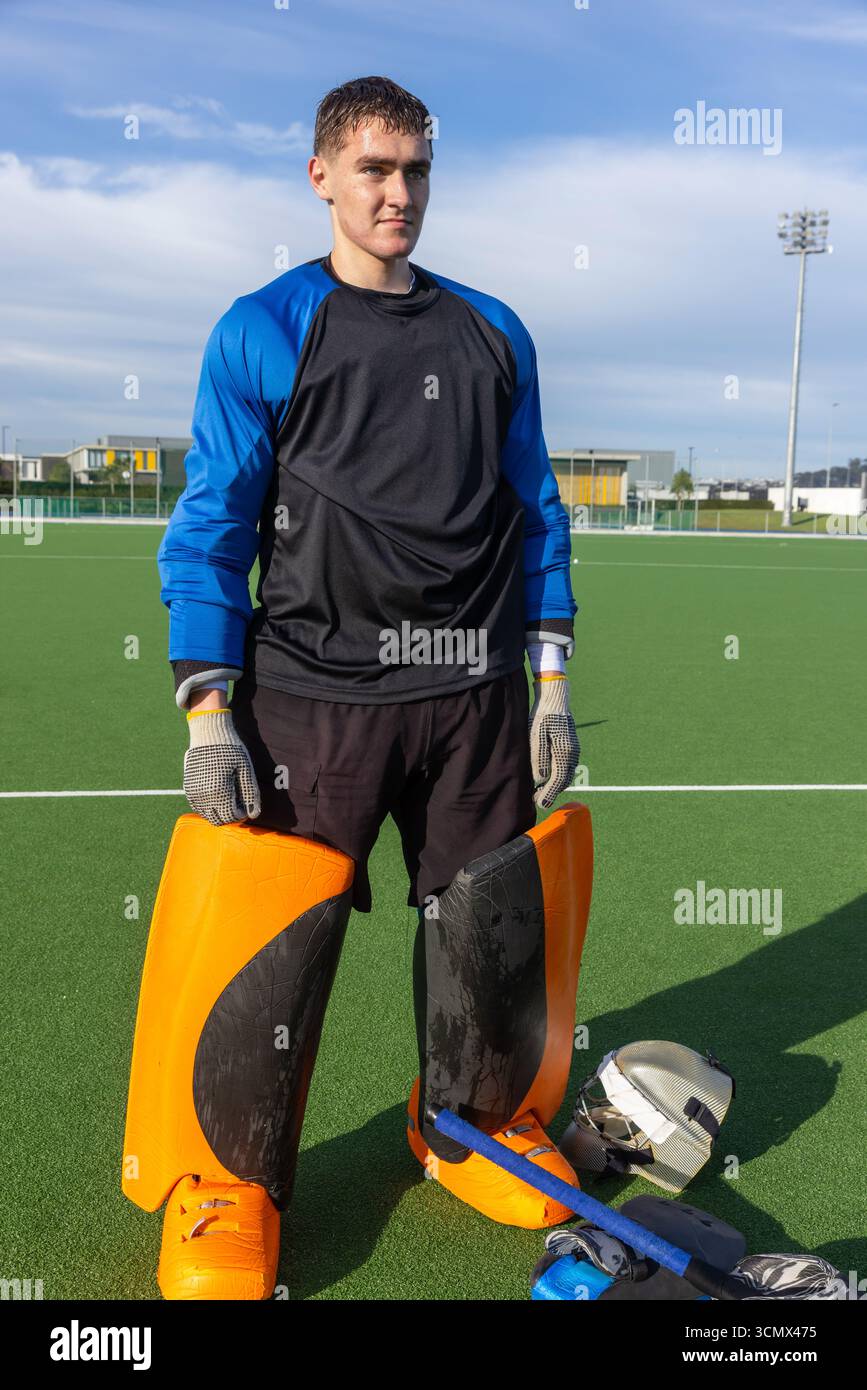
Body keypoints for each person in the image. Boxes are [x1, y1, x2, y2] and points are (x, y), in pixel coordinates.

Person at [153, 74, 582, 1298]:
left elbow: (536, 509)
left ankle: (473, 1126)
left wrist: (549, 686)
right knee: (275, 950)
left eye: (418, 172)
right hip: (312, 693)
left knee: (486, 933)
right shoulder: (264, 326)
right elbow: (213, 524)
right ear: (324, 178)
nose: (400, 195)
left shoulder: (494, 332)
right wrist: (207, 707)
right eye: (377, 170)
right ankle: (228, 1186)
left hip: (475, 697)